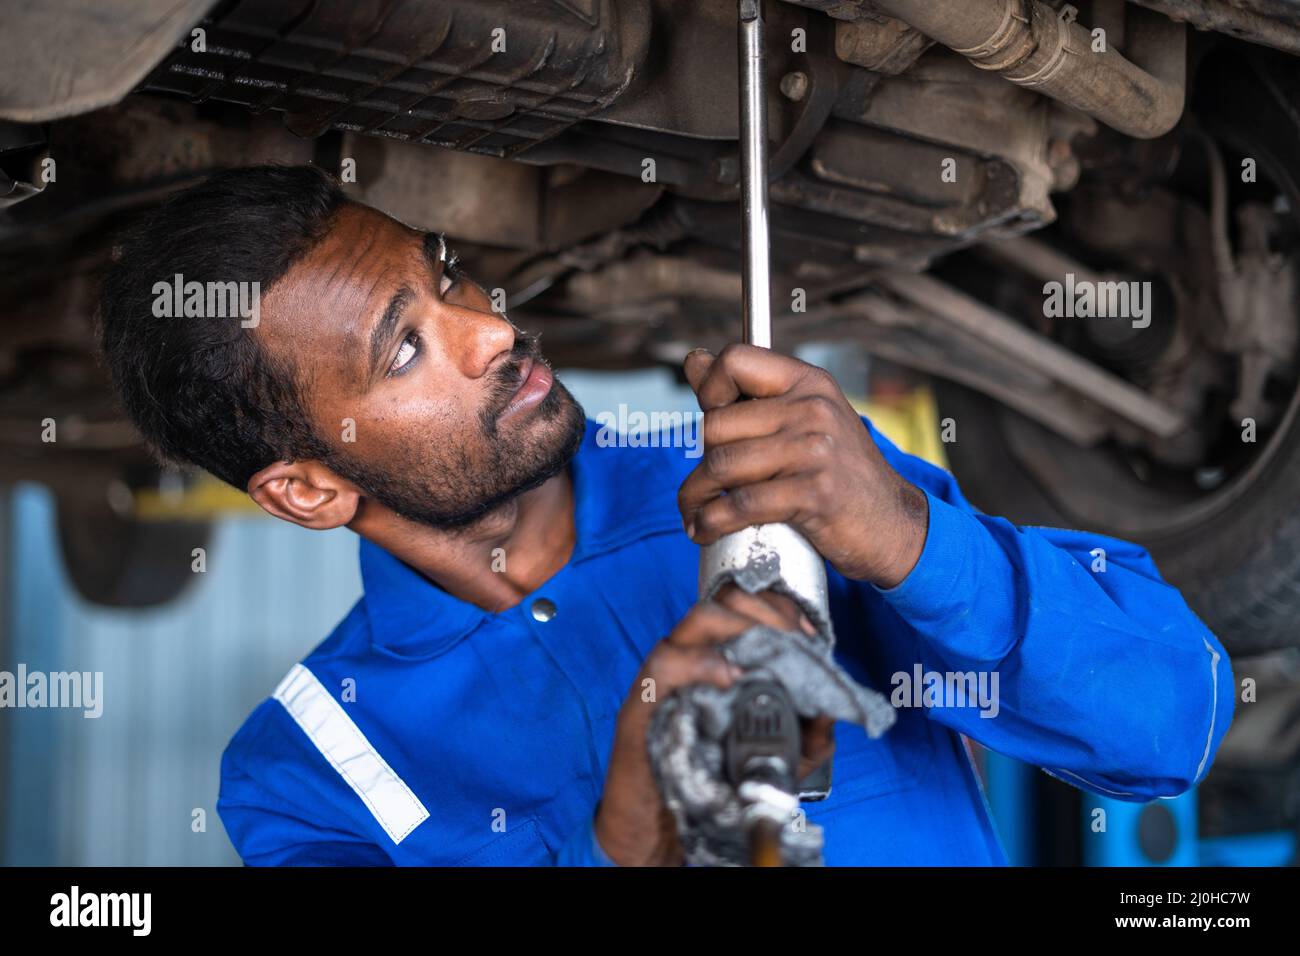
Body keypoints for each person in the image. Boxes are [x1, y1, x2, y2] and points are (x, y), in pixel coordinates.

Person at [97, 165, 1234, 865]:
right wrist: (623, 840)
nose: (489, 327)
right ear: (309, 487)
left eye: (447, 277)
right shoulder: (312, 773)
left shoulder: (784, 482)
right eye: (405, 346)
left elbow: (1169, 722)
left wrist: (910, 536)